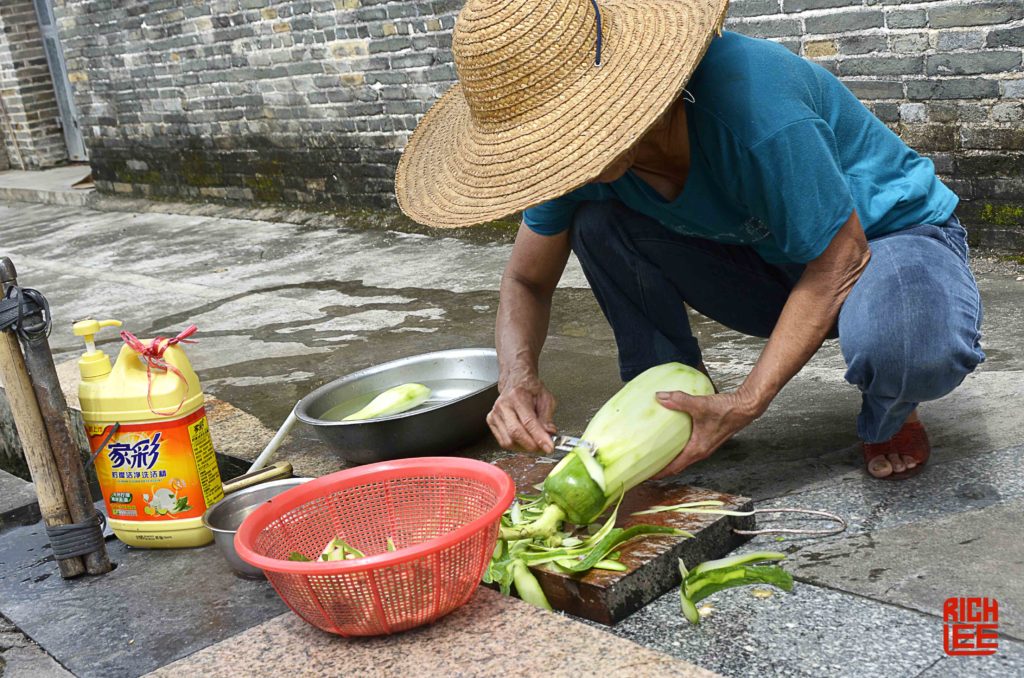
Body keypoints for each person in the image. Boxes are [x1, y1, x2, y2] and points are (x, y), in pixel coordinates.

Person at [395, 0, 984, 480]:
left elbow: (840, 259)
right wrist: (516, 376)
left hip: (882, 243)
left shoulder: (754, 102)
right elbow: (525, 278)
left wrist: (748, 400)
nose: (560, 159)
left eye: (567, 134)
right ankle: (672, 410)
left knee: (911, 348)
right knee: (598, 222)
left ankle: (887, 415)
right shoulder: (570, 169)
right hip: (766, 265)